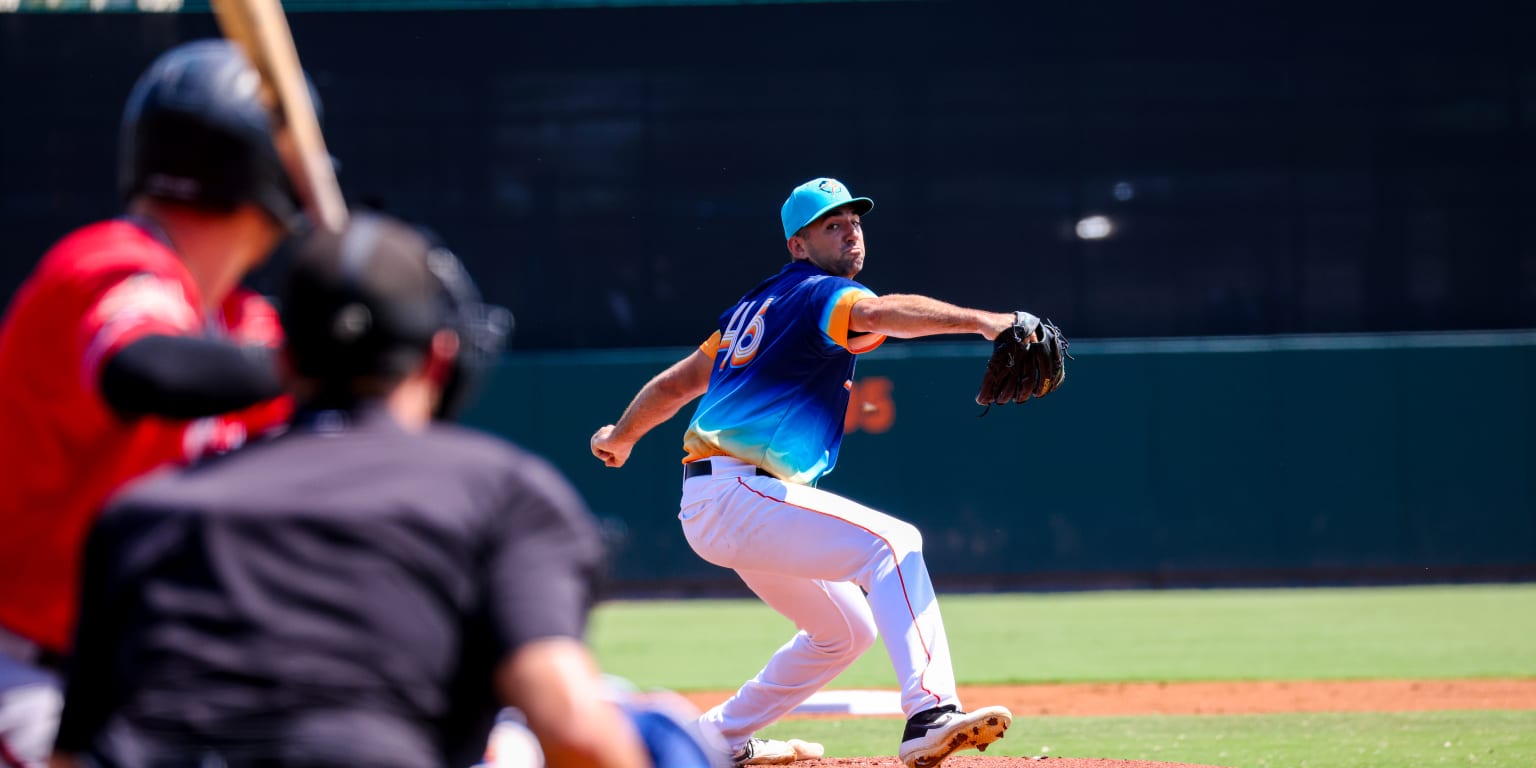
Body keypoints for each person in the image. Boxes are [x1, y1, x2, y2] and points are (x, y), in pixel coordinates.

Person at [50, 212, 658, 768]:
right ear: (439, 360)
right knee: (654, 734)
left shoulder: (142, 514)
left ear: (282, 359)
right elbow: (576, 732)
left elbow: (73, 757)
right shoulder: (499, 492)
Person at [590, 178, 1030, 768]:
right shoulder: (819, 292)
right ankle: (931, 712)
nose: (849, 230)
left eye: (854, 221)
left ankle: (714, 739)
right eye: (831, 225)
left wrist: (620, 437)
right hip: (740, 493)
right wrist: (987, 322)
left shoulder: (752, 310)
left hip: (729, 502)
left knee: (845, 632)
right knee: (895, 544)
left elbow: (678, 384)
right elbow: (880, 312)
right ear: (798, 246)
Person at [0, 39, 302, 767]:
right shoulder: (111, 260)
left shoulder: (240, 322)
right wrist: (325, 358)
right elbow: (143, 369)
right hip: (27, 669)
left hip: (154, 675)